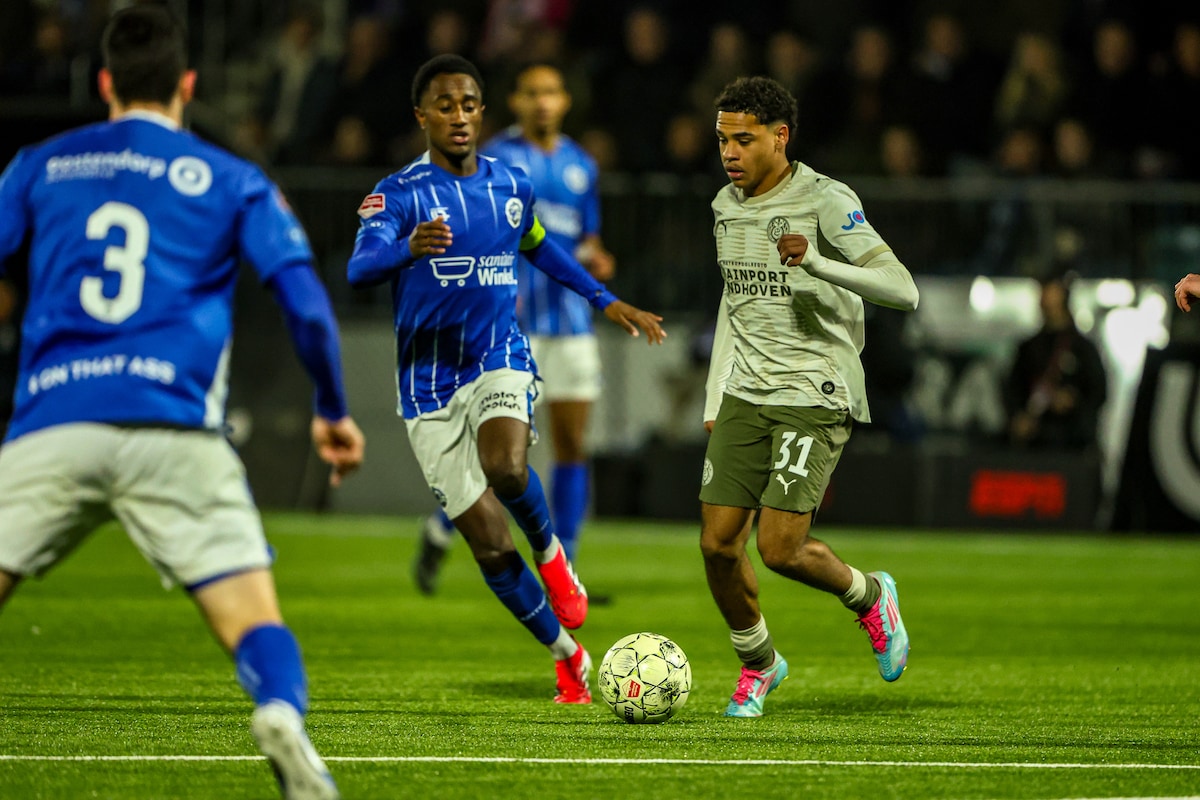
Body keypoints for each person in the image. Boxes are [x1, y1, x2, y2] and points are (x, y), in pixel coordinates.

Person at [0, 7, 365, 800]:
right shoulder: (231, 178)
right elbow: (305, 305)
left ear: (104, 83)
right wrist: (332, 407)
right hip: (176, 430)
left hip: (53, 422)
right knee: (254, 619)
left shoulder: (37, 163)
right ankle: (278, 713)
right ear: (188, 86)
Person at [346, 54, 664, 704]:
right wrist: (407, 248)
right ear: (422, 117)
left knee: (508, 468)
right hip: (427, 382)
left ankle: (553, 557)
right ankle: (567, 656)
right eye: (444, 105)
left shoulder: (510, 184)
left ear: (481, 112)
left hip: (498, 354)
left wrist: (606, 300)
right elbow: (359, 265)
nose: (458, 116)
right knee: (488, 543)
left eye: (468, 104)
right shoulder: (399, 193)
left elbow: (539, 244)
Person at [701, 76, 916, 718]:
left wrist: (818, 263)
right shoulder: (724, 205)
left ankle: (871, 596)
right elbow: (733, 301)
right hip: (745, 389)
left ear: (780, 136)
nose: (730, 152)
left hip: (814, 389)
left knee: (780, 549)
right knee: (716, 545)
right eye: (722, 140)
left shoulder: (824, 200)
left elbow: (901, 289)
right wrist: (715, 394)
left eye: (743, 140)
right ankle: (759, 664)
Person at [412, 61, 615, 595]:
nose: (542, 101)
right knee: (502, 456)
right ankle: (440, 528)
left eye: (551, 91)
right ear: (517, 102)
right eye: (531, 93)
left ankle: (564, 565)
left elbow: (586, 237)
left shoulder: (582, 165)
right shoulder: (493, 158)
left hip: (570, 324)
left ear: (565, 100)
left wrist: (597, 259)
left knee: (572, 444)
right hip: (509, 328)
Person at [1005, 274, 1108, 450]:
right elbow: (1013, 388)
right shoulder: (1029, 348)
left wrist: (1072, 400)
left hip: (1072, 441)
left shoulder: (1082, 349)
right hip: (1035, 442)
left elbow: (1098, 391)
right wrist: (1019, 417)